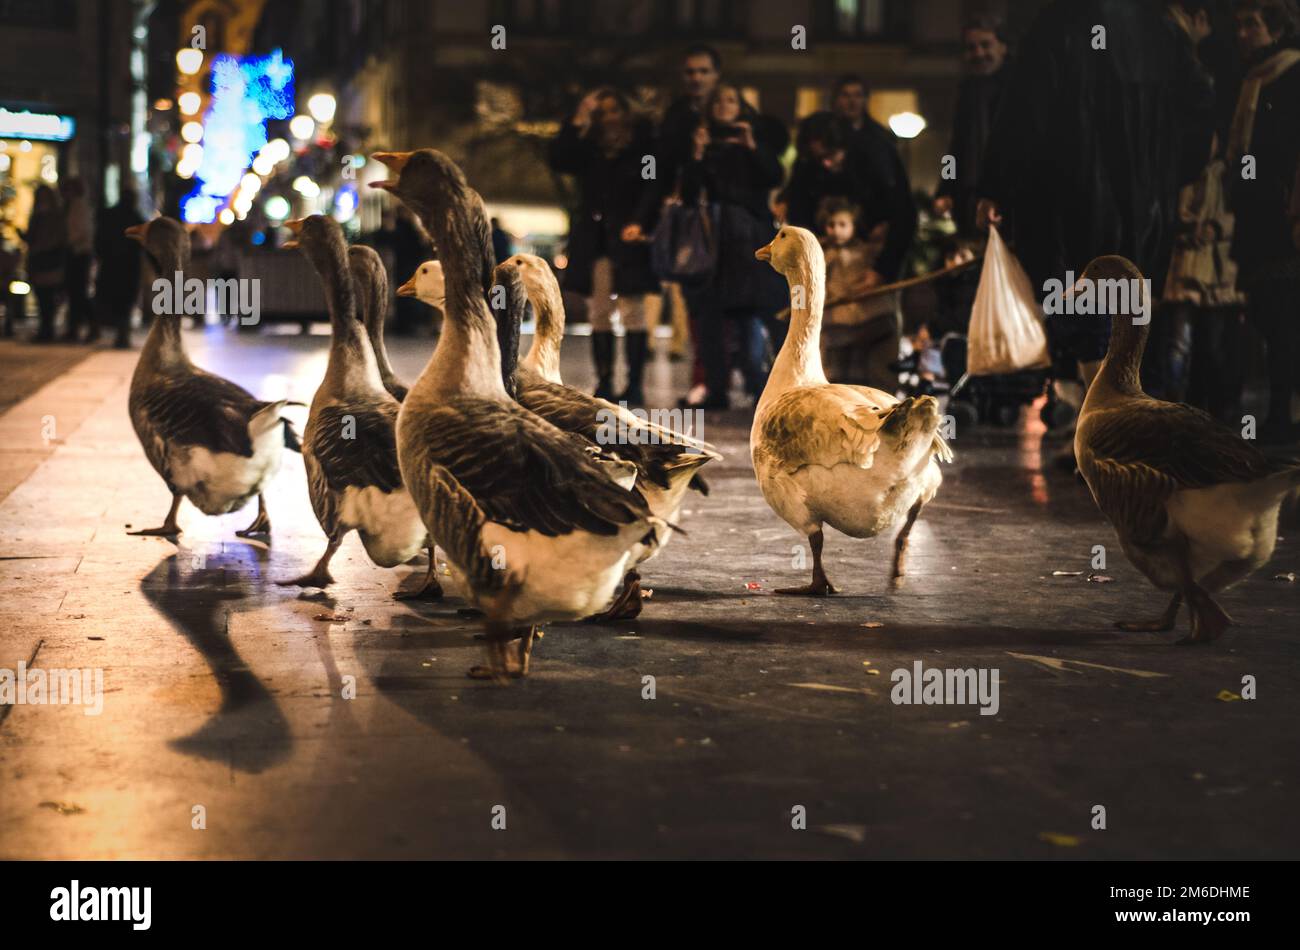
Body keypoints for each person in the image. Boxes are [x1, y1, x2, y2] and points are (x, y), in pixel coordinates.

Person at [976, 0, 1213, 464]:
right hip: (1145, 203)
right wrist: (1169, 176)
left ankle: (1108, 436)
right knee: (1131, 314)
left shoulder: (1060, 22)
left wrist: (996, 186)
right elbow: (1201, 104)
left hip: (1072, 199)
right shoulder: (1160, 28)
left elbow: (1025, 113)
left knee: (1084, 312)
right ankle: (1127, 434)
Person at [676, 83, 787, 408]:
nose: (725, 106)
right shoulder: (702, 142)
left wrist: (752, 145)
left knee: (763, 311)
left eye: (731, 100)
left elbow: (773, 177)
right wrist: (697, 153)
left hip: (752, 237)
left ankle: (764, 387)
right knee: (711, 315)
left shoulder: (754, 139)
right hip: (715, 240)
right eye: (719, 101)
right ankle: (716, 387)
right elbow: (688, 194)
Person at [549, 86, 661, 404]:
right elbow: (559, 158)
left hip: (630, 239)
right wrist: (578, 117)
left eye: (615, 110)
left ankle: (635, 384)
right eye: (603, 112)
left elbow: (652, 186)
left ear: (627, 113)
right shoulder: (588, 148)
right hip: (595, 240)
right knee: (599, 310)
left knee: (633, 310)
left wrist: (640, 220)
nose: (610, 117)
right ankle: (605, 381)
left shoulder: (644, 149)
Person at [1226, 0, 1300, 441]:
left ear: (1274, 27)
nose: (1242, 33)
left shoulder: (1291, 75)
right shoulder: (1254, 78)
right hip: (1258, 215)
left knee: (1284, 312)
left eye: (1250, 25)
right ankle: (1278, 410)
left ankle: (1281, 411)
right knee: (1269, 314)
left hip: (1283, 213)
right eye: (1237, 25)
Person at [784, 76, 917, 285]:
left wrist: (882, 268)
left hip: (868, 259)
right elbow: (799, 208)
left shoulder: (876, 151)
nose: (827, 165)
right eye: (845, 95)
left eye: (858, 95)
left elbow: (903, 212)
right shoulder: (810, 166)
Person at [933, 16, 1011, 235]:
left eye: (985, 45)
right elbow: (956, 148)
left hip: (1006, 201)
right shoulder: (968, 90)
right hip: (972, 201)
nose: (978, 53)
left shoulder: (1018, 89)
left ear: (1003, 47)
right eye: (971, 47)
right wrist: (946, 189)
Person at [818, 197, 898, 390]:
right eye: (831, 225)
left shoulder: (865, 253)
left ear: (854, 225)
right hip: (835, 319)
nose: (836, 230)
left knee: (864, 367)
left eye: (843, 224)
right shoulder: (822, 254)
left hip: (866, 316)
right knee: (836, 367)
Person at [93, 186, 143, 349]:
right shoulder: (135, 218)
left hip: (112, 264)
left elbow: (99, 239)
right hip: (128, 266)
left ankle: (113, 331)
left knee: (112, 298)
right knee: (124, 301)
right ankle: (121, 333)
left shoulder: (110, 216)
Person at [22, 184, 67, 343]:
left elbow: (58, 238)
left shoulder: (54, 216)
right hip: (39, 259)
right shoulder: (39, 216)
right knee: (42, 296)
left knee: (48, 297)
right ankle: (45, 328)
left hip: (50, 259)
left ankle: (47, 329)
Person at [61, 177, 94, 342]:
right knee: (75, 292)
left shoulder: (78, 206)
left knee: (78, 292)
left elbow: (82, 231)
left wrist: (70, 242)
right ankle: (75, 327)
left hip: (79, 253)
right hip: (76, 252)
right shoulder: (73, 206)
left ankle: (86, 327)